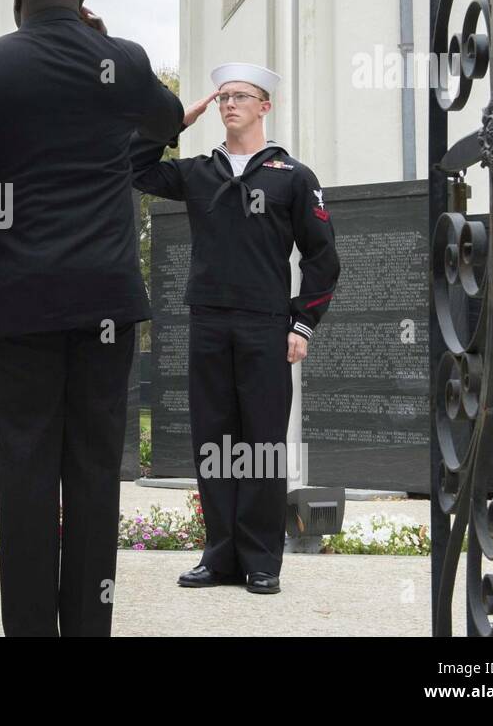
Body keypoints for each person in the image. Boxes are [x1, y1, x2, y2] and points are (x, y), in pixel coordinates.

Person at [0, 0, 186, 636]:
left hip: (22, 301)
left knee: (24, 473)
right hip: (106, 298)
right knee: (95, 473)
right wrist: (107, 51)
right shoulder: (123, 61)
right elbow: (167, 122)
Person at [130, 62, 340, 594]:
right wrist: (176, 121)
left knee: (263, 444)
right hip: (208, 325)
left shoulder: (293, 176)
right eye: (222, 97)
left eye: (240, 97)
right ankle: (220, 556)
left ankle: (262, 559)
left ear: (265, 106)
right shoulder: (199, 172)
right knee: (215, 443)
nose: (228, 105)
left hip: (266, 327)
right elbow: (133, 166)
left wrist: (303, 321)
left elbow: (322, 258)